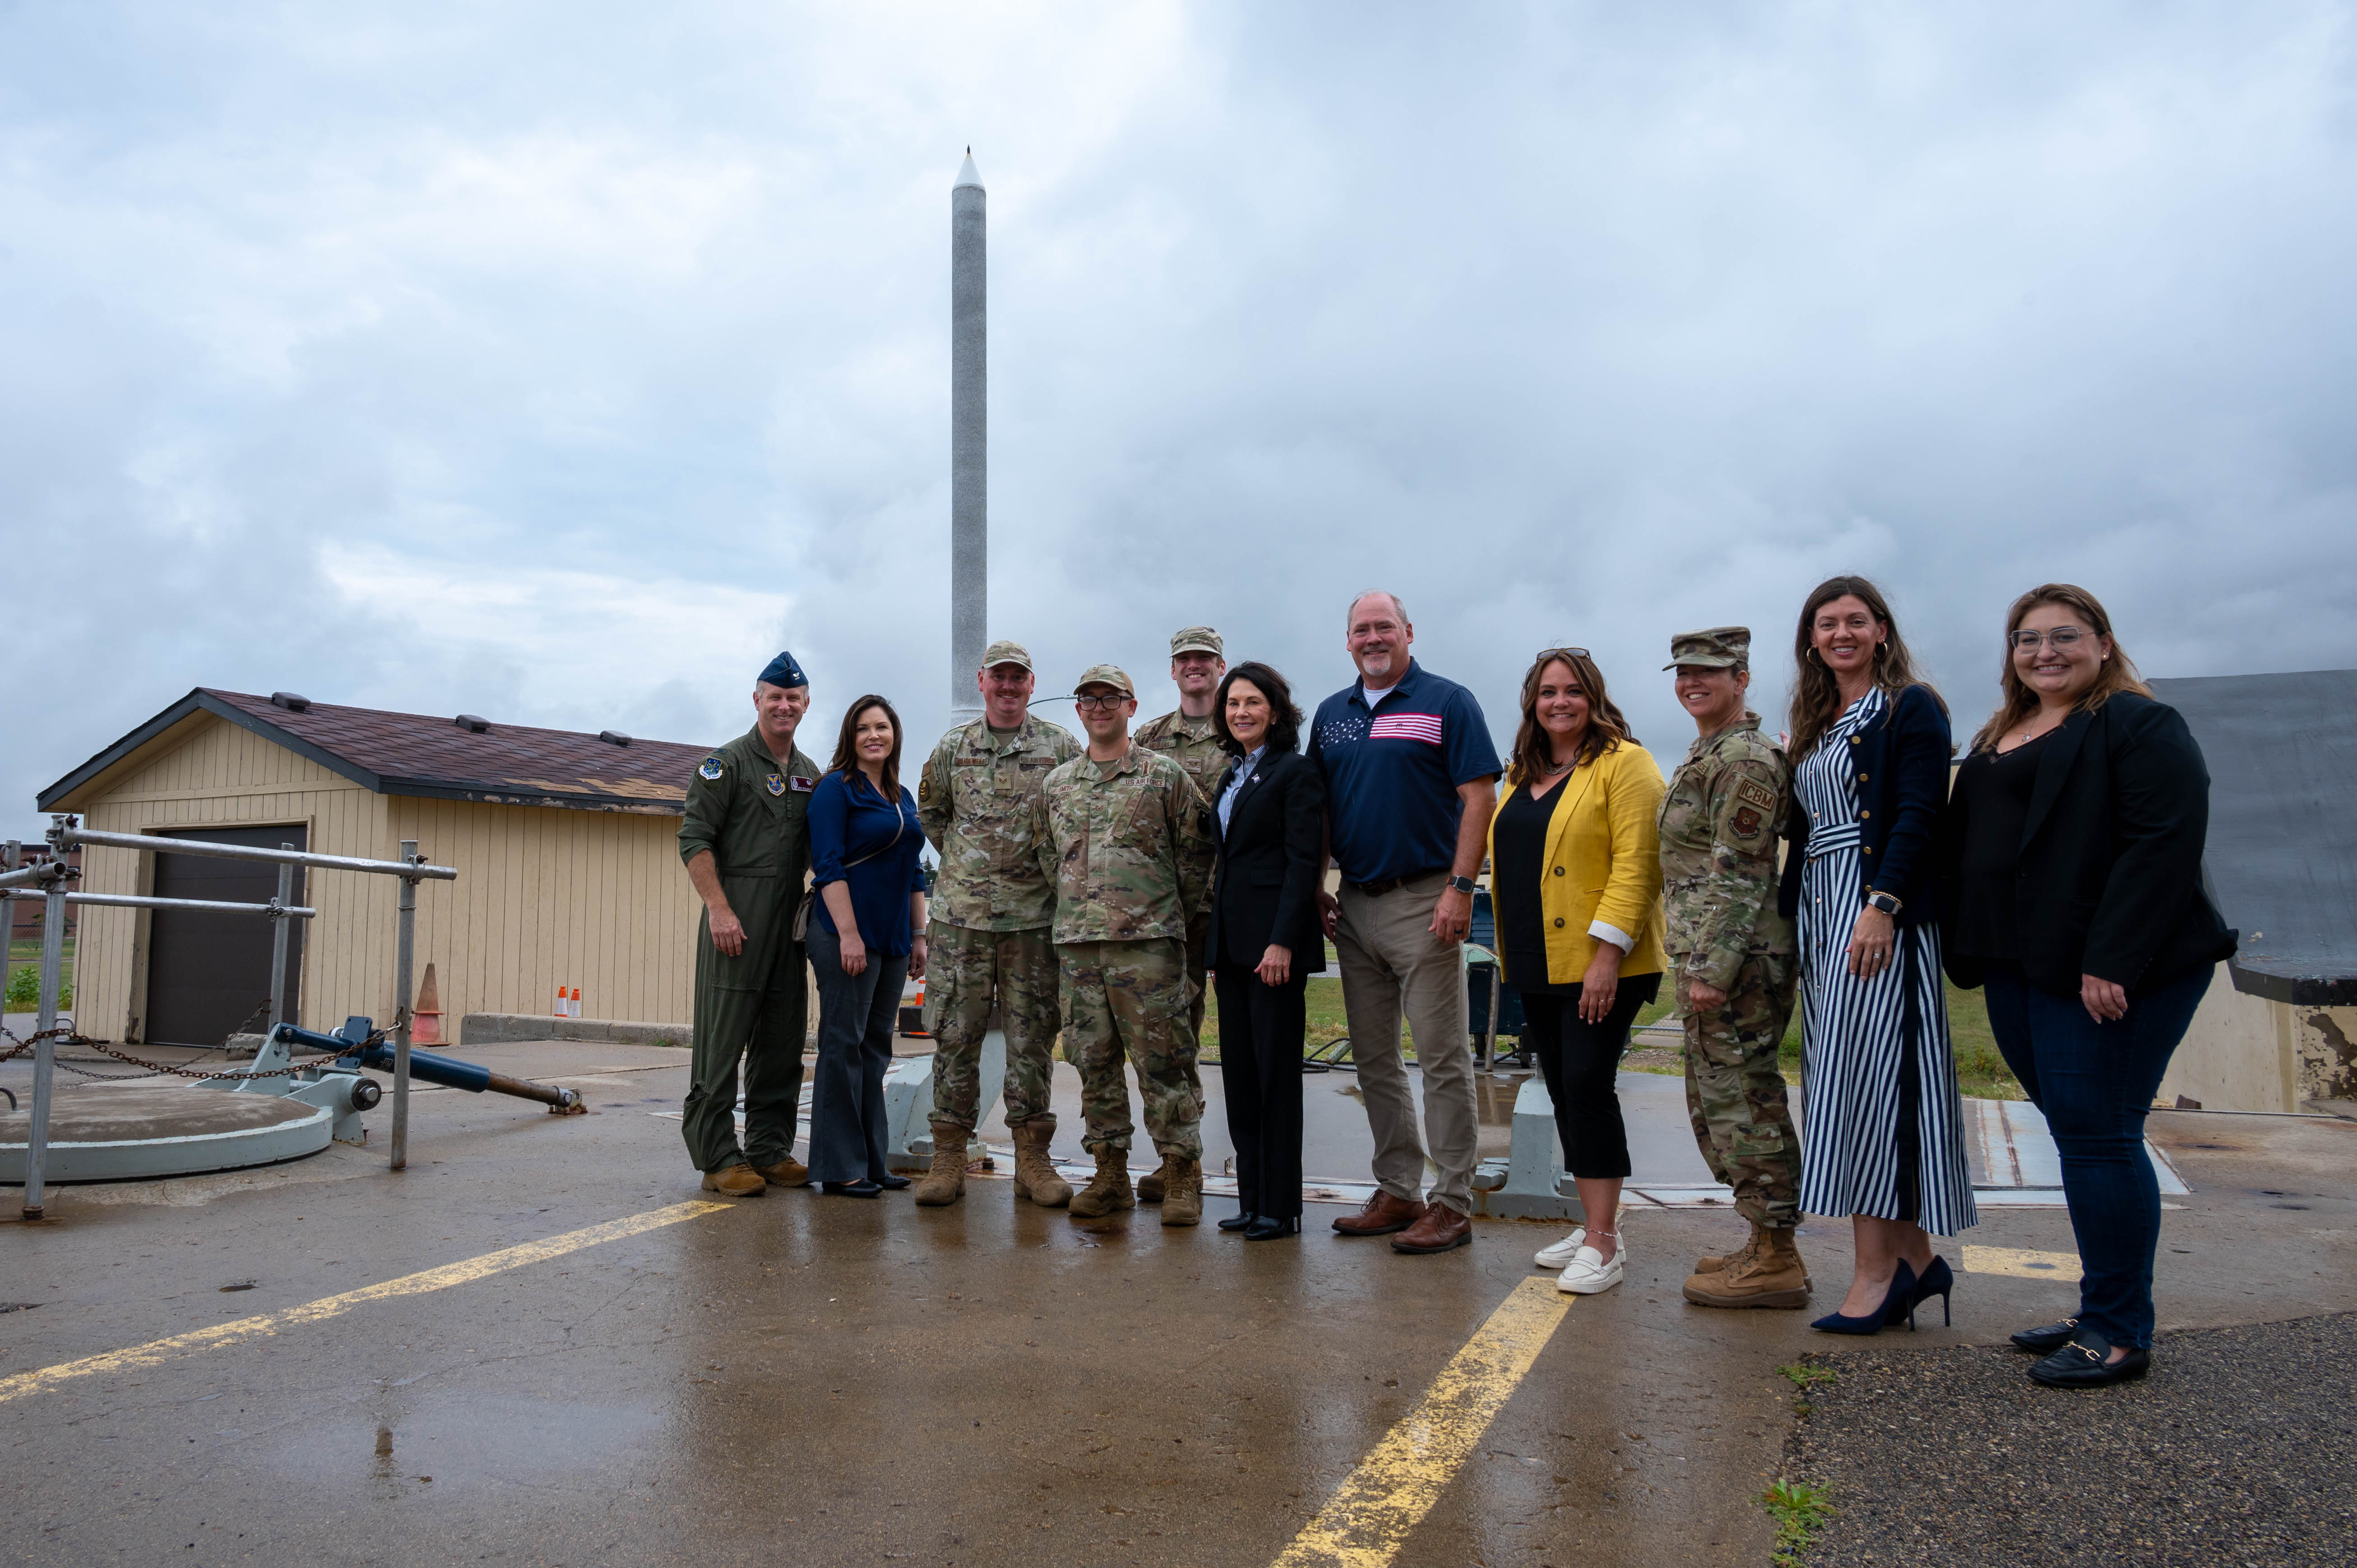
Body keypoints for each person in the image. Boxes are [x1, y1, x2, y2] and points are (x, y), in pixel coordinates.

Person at [1942, 583, 2235, 1388]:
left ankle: (2117, 1331)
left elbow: (2163, 843)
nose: (2044, 652)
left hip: (2105, 972)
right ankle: (2099, 1304)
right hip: (2018, 964)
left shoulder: (2137, 724)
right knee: (2078, 1134)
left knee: (2099, 1134)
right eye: (2027, 640)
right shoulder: (2001, 732)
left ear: (2103, 645)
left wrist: (2112, 958)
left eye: (2063, 636)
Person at [1778, 577, 1977, 1335]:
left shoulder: (1907, 707)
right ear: (1811, 640)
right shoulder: (1818, 721)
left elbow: (1920, 810)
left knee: (1872, 1091)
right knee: (1841, 1083)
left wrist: (1883, 905)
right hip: (1824, 916)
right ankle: (1918, 1265)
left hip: (1872, 915)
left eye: (1854, 622)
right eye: (1825, 624)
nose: (1839, 634)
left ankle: (1875, 1274)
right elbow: (1803, 833)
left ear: (1881, 632)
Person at [1309, 590, 1501, 1255]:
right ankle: (1398, 1187)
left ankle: (1450, 1200)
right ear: (1347, 641)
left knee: (1441, 1056)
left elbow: (1479, 794)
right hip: (1354, 903)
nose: (1372, 637)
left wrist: (1459, 888)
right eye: (1360, 628)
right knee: (1374, 1058)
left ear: (1408, 632)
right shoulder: (1331, 716)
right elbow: (1325, 808)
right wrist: (1318, 882)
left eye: (1383, 626)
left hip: (1425, 900)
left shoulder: (1447, 701)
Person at [1486, 648, 1667, 1294]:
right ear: (1531, 701)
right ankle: (1595, 1219)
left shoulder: (1627, 763)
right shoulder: (1521, 771)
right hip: (1537, 957)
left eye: (1571, 690)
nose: (1558, 701)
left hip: (1602, 960)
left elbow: (1638, 863)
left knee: (1588, 1085)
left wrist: (1606, 956)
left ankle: (1603, 1241)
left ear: (1593, 696)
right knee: (1563, 1087)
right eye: (1546, 691)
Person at [1657, 628, 1811, 1307]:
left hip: (1740, 960)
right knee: (1720, 1099)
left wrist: (1712, 970)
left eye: (1709, 672)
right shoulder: (1710, 750)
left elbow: (1740, 872)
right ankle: (1761, 1238)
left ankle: (1777, 1255)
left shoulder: (1745, 758)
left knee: (1744, 1101)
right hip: (1718, 953)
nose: (1693, 682)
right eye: (1684, 672)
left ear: (1741, 677)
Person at [1032, 665, 1218, 1225]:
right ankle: (1110, 1174)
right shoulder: (1058, 785)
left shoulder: (1165, 778)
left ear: (1132, 706)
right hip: (1081, 948)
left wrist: (1159, 916)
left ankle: (1182, 1171)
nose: (1099, 707)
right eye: (1089, 699)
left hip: (1149, 948)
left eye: (1111, 698)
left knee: (1164, 1062)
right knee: (1093, 1064)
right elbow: (1048, 859)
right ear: (1079, 710)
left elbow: (1195, 859)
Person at [911, 640, 1081, 1209]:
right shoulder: (953, 748)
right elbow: (932, 815)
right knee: (955, 1038)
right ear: (982, 682)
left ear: (1032, 685)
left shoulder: (1060, 746)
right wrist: (968, 867)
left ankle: (1032, 1159)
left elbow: (1074, 820)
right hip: (963, 922)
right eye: (999, 677)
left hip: (1034, 922)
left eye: (1019, 678)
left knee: (1033, 1041)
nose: (1009, 687)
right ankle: (948, 1157)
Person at [677, 650, 824, 1198]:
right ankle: (717, 1156)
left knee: (783, 1041)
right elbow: (694, 839)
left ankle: (768, 1148)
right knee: (722, 1043)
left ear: (806, 704)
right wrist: (718, 908)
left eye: (793, 698)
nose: (784, 705)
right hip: (735, 921)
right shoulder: (726, 765)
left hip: (788, 926)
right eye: (774, 696)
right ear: (757, 700)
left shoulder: (811, 773)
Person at [1202, 661, 1326, 1241]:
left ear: (1275, 710)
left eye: (1252, 702)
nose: (1241, 712)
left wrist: (1283, 940)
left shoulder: (1295, 772)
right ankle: (1251, 1199)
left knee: (1276, 1078)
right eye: (1232, 704)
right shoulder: (1233, 775)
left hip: (1274, 950)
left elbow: (1304, 863)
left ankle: (1281, 1206)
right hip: (1232, 951)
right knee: (1241, 1077)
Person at [806, 696, 930, 1198]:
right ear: (850, 737)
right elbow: (828, 865)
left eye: (881, 726)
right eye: (863, 729)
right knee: (843, 1045)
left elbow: (914, 870)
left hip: (894, 937)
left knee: (877, 1049)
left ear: (895, 732)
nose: (873, 735)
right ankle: (840, 1168)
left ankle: (874, 1162)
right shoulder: (836, 790)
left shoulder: (903, 795)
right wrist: (850, 934)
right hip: (844, 934)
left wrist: (919, 935)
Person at [1132, 625, 1232, 1203]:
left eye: (1205, 658)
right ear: (1173, 671)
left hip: (1233, 907)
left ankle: (1257, 1162)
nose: (1195, 667)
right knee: (1171, 1039)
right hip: (1170, 914)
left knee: (1245, 1040)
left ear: (1221, 666)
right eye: (1185, 659)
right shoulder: (1147, 738)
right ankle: (1177, 1159)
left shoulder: (1246, 726)